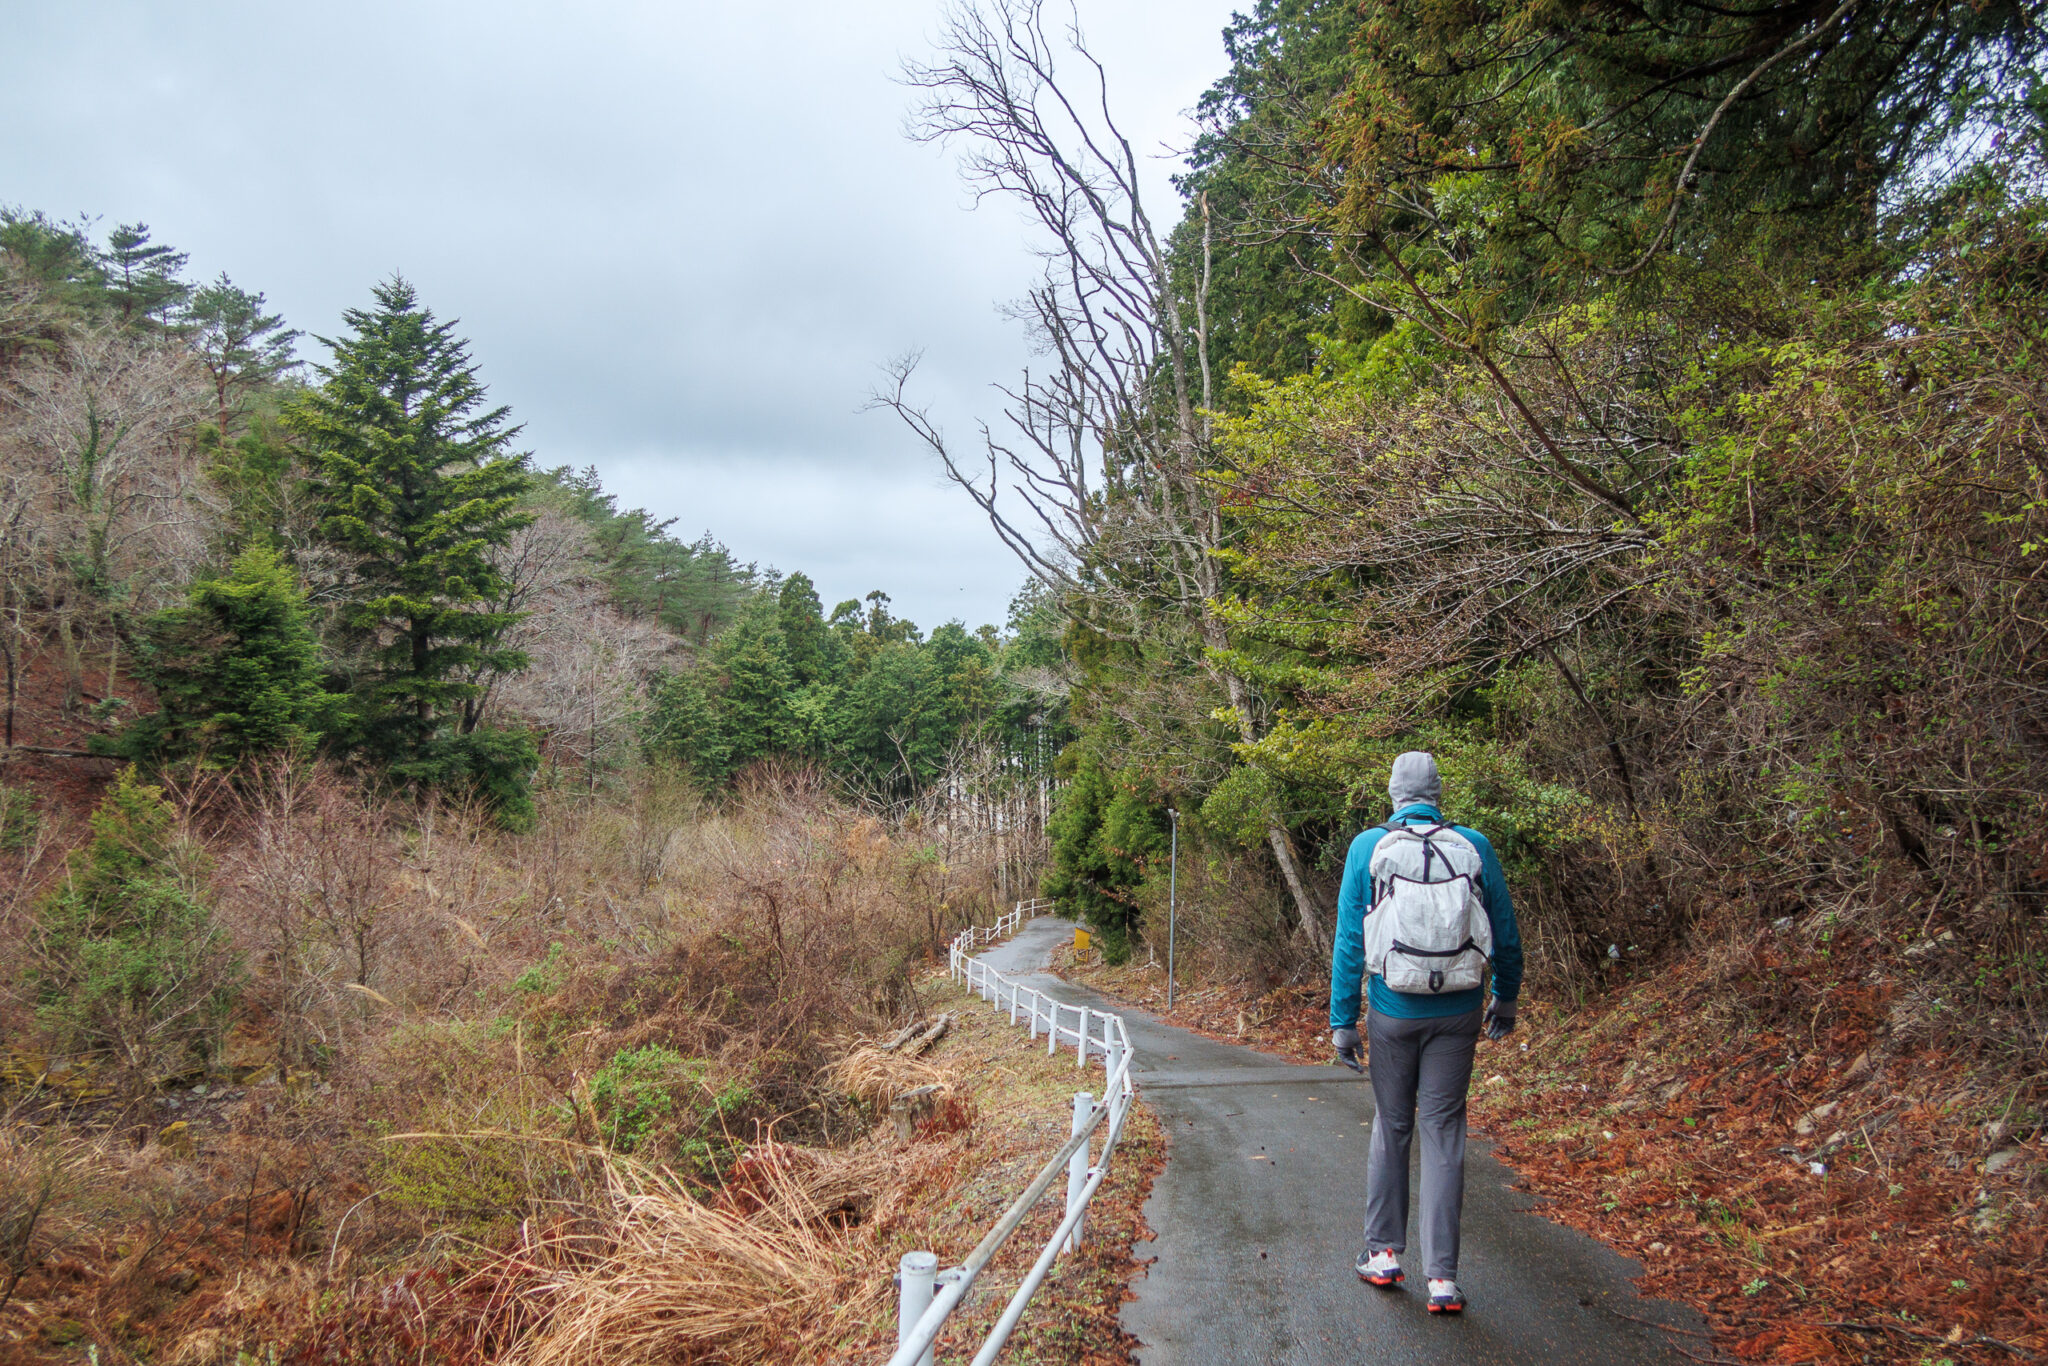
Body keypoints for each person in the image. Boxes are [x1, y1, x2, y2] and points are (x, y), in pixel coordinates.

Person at [1329, 751, 1522, 1315]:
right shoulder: (1474, 845)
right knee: (1444, 1130)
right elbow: (1505, 932)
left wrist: (1343, 1022)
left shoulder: (1368, 847)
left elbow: (1349, 942)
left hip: (1392, 1010)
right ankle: (1443, 1280)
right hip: (1459, 1010)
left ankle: (1384, 1253)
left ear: (1393, 794)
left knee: (1393, 1126)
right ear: (1438, 794)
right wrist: (1504, 997)